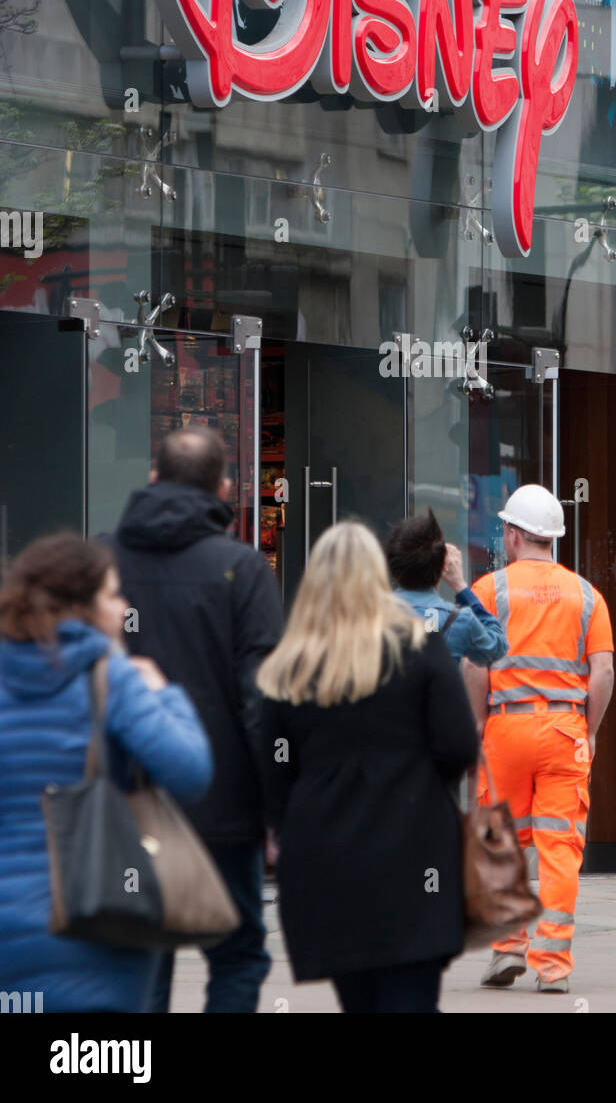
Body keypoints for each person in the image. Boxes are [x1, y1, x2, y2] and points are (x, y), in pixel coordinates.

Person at [258, 520, 478, 1014]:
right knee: (411, 996)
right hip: (414, 850)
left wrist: (285, 826)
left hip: (324, 856)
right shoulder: (421, 648)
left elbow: (274, 767)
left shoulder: (288, 666)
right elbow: (459, 744)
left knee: (358, 1000)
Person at [0, 532, 212, 1013]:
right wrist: (164, 695)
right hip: (97, 925)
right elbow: (190, 771)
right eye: (113, 595)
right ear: (84, 607)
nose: (124, 608)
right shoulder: (112, 677)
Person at [111, 426, 283, 1014]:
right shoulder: (241, 569)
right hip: (222, 805)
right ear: (226, 489)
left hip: (123, 805)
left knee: (139, 958)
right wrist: (275, 808)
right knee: (237, 954)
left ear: (153, 479)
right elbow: (261, 700)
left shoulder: (102, 563)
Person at [468, 484, 615, 993]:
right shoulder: (587, 595)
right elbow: (604, 672)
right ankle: (552, 966)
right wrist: (588, 731)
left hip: (505, 727)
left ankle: (507, 948)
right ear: (552, 538)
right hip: (564, 728)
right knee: (560, 847)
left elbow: (472, 665)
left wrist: (476, 729)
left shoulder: (489, 590)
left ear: (512, 535)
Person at [386, 509, 507, 667]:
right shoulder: (459, 620)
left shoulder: (370, 616)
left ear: (393, 566)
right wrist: (460, 586)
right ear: (443, 565)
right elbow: (497, 646)